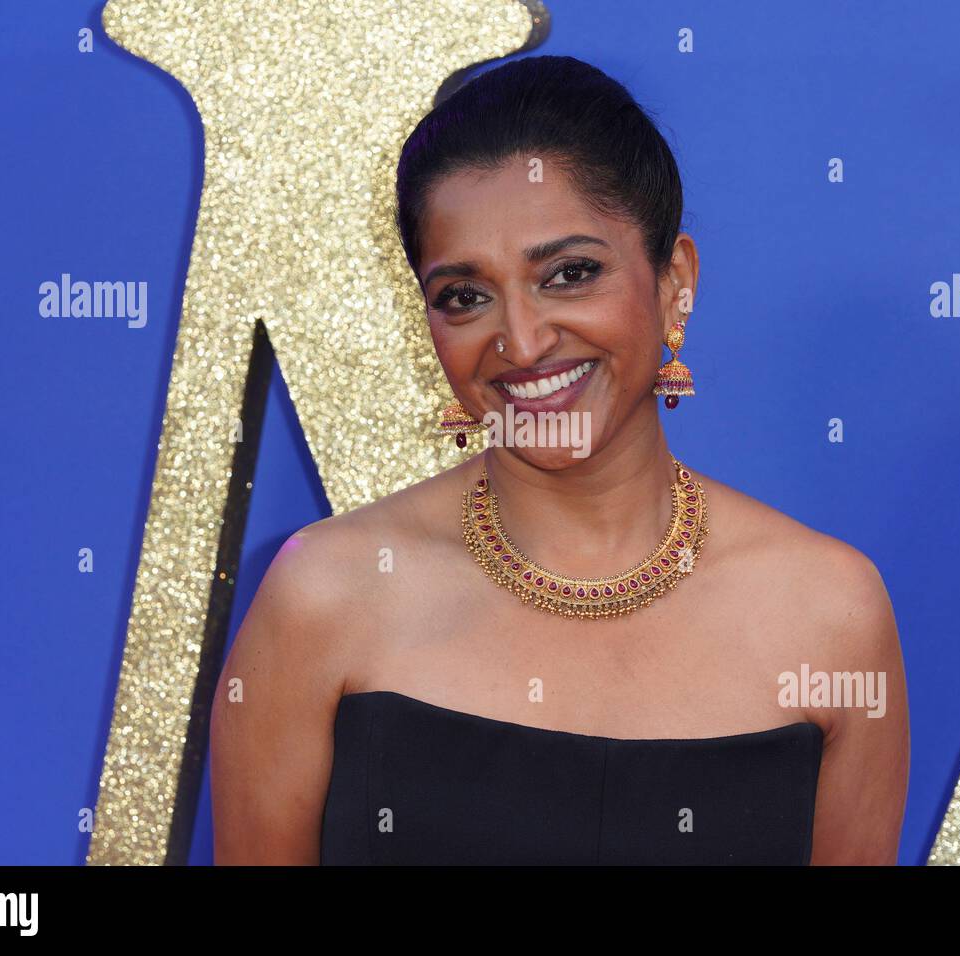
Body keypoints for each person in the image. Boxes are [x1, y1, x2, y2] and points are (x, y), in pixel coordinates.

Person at [211, 55, 908, 865]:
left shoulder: (827, 613)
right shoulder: (324, 597)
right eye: (465, 296)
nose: (523, 340)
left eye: (569, 274)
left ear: (674, 281)